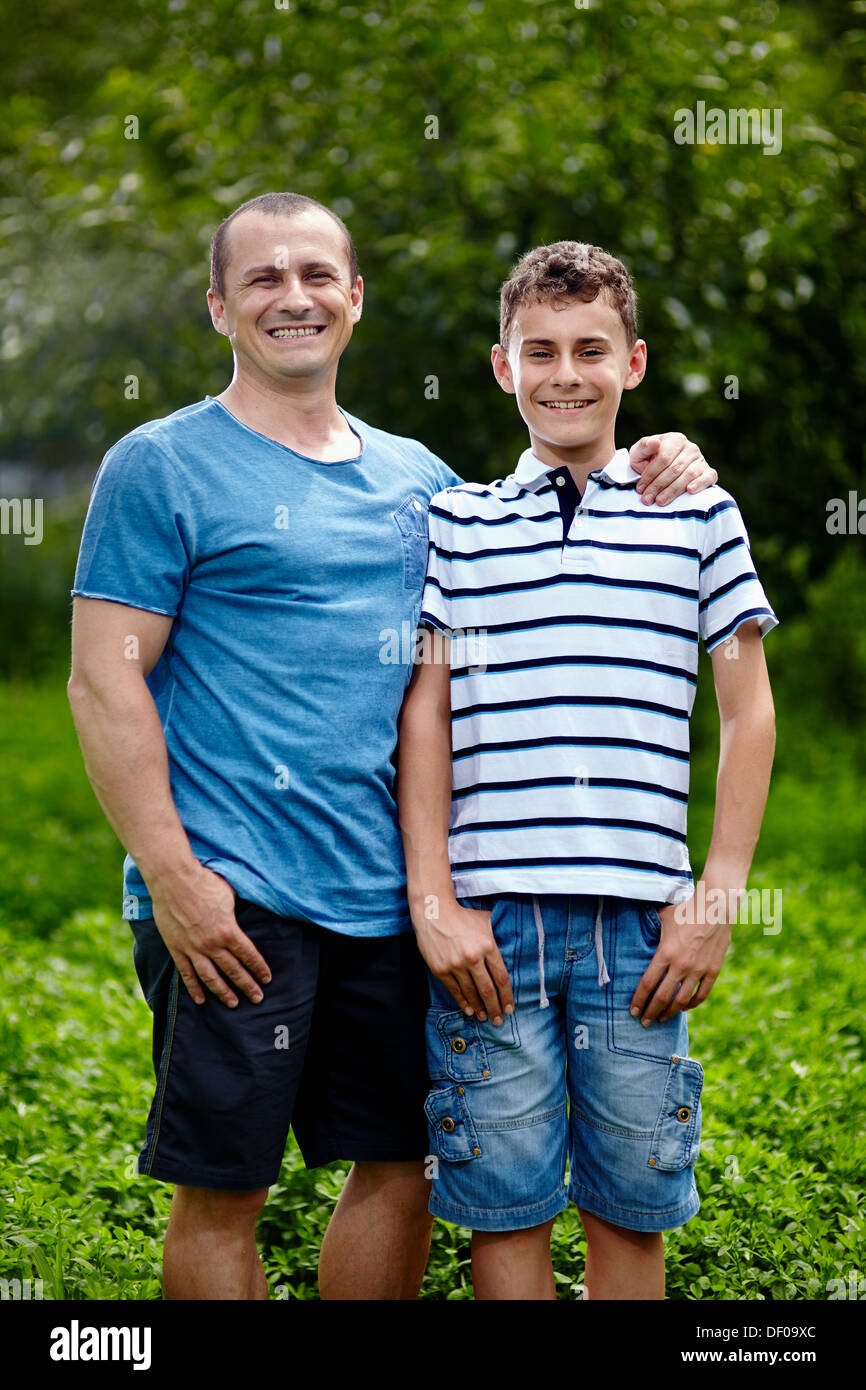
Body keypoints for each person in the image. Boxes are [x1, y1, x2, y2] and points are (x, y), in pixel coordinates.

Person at [67, 194, 719, 1301]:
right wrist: (174, 879)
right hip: (235, 896)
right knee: (224, 1193)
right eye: (263, 277)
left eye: (317, 274)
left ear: (355, 298)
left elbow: (546, 503)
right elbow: (102, 680)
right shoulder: (160, 465)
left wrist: (668, 459)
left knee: (405, 1166)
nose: (294, 297)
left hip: (391, 903)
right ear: (219, 306)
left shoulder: (421, 481)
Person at [398, 240, 777, 1300]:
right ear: (502, 367)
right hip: (492, 927)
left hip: (640, 929)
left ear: (633, 363)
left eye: (591, 350)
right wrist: (433, 901)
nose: (565, 374)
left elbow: (748, 711)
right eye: (540, 351)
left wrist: (717, 896)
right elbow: (425, 713)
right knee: (503, 1209)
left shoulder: (696, 513)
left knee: (630, 1212)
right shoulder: (457, 522)